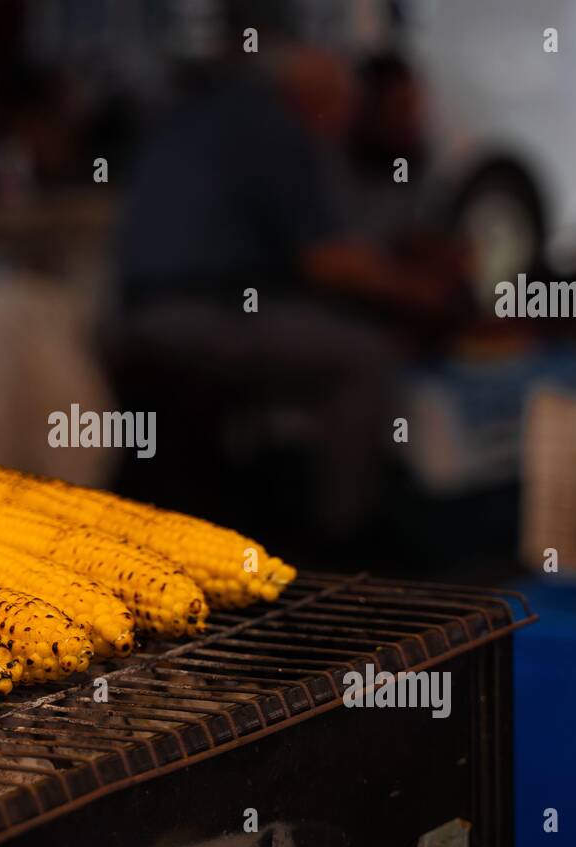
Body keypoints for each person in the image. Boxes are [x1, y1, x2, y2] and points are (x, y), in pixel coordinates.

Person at [108, 44, 470, 542]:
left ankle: (273, 513)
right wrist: (428, 296)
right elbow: (328, 262)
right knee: (366, 358)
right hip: (194, 316)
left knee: (310, 339)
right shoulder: (274, 127)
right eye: (344, 108)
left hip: (129, 316)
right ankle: (341, 540)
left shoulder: (210, 114)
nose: (343, 125)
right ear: (319, 98)